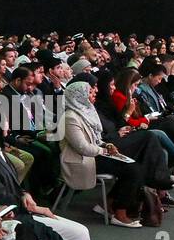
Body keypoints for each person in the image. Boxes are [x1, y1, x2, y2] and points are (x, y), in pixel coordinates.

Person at [60, 79, 147, 227]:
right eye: (89, 92)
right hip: (83, 159)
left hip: (95, 155)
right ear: (79, 96)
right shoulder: (69, 118)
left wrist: (107, 145)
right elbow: (82, 147)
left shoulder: (86, 111)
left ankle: (110, 204)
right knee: (132, 170)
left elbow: (96, 139)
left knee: (134, 166)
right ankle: (120, 213)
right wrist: (105, 150)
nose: (95, 93)